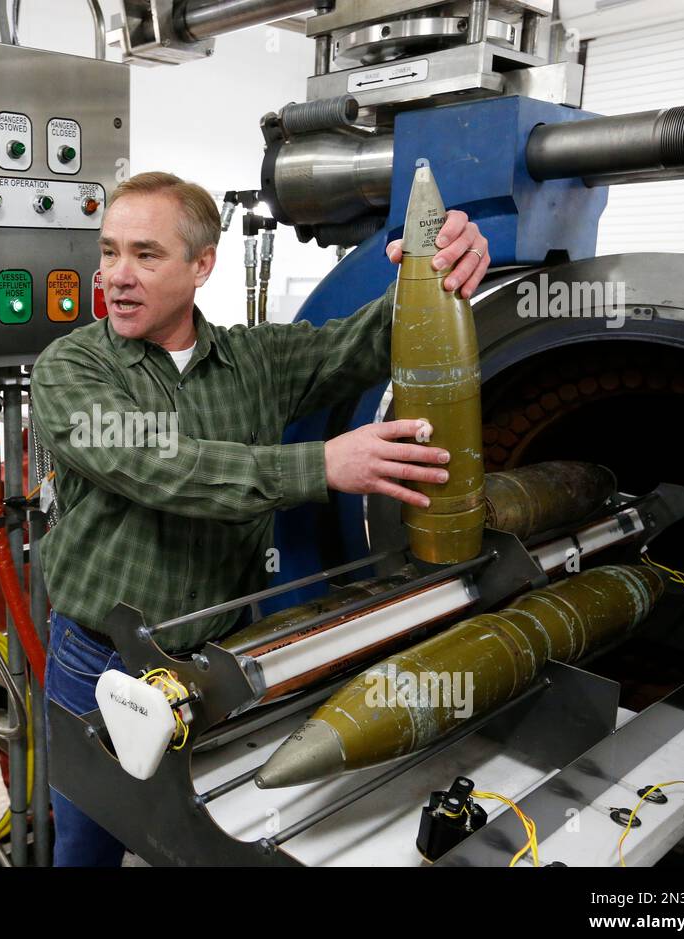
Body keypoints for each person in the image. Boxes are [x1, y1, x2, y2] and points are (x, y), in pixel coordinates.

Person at [29, 171, 490, 866]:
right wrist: (320, 466)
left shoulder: (257, 360)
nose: (117, 276)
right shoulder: (71, 369)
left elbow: (363, 345)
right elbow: (158, 466)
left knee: (206, 830)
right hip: (99, 663)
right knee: (88, 840)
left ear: (202, 265)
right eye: (109, 251)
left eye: (146, 255)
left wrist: (436, 270)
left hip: (216, 664)